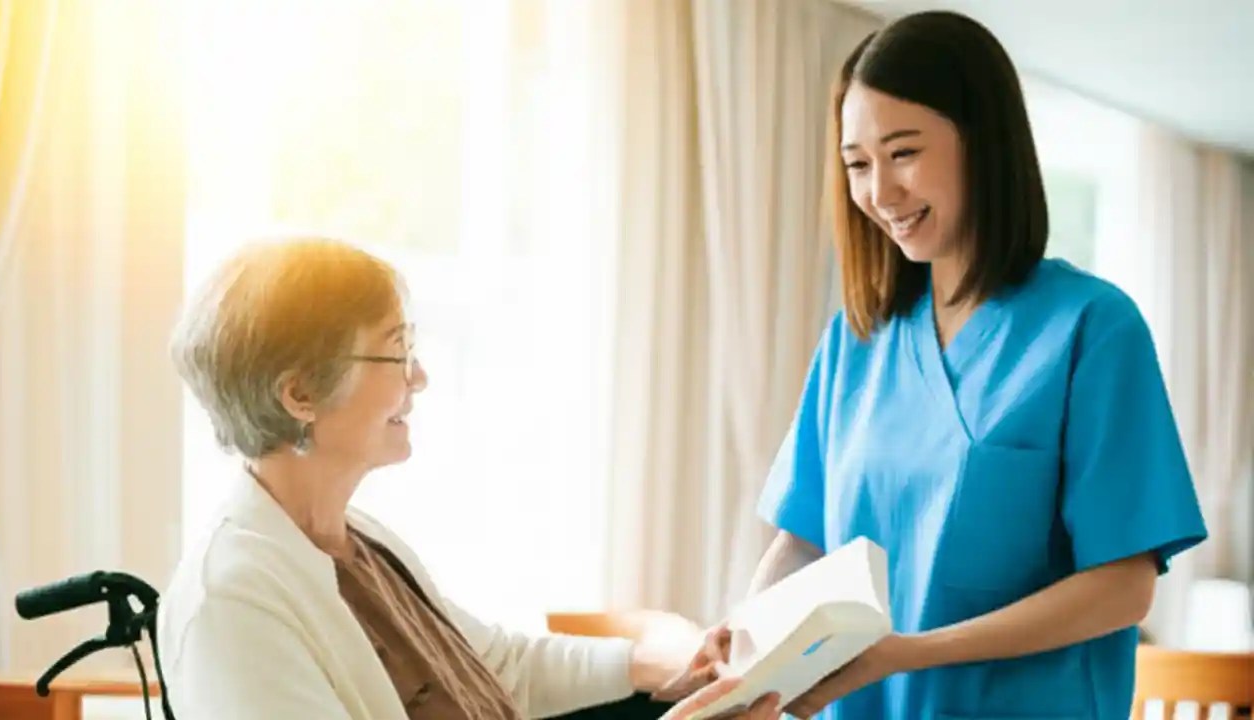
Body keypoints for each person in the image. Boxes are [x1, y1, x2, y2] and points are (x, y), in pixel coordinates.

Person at [659, 10, 1207, 720]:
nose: (879, 193)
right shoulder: (855, 342)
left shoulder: (1092, 329)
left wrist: (909, 653)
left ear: (983, 142)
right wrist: (746, 638)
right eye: (858, 164)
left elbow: (1124, 587)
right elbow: (803, 541)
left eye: (904, 153)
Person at [157, 237, 780, 720]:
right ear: (299, 394)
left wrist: (659, 663)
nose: (419, 376)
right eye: (395, 351)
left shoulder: (358, 541)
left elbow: (498, 666)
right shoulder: (231, 602)